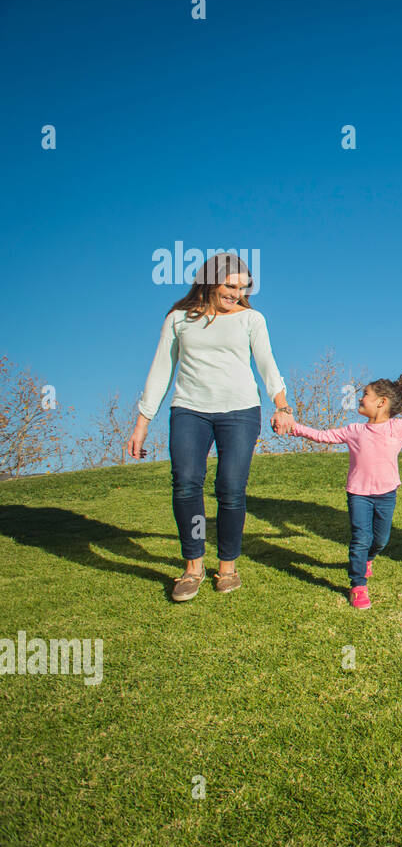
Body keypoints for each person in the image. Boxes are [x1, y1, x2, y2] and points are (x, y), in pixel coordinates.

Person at [127, 253, 293, 602]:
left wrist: (282, 406)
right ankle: (193, 568)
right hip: (190, 410)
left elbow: (267, 365)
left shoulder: (251, 319)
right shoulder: (178, 319)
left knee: (230, 488)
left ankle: (228, 566)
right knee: (186, 484)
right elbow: (161, 371)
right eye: (229, 285)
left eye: (242, 288)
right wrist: (142, 423)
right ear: (209, 281)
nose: (236, 293)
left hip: (240, 411)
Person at [283, 374, 402, 609]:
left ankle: (368, 559)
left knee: (381, 540)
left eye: (365, 394)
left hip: (386, 494)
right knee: (360, 538)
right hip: (358, 494)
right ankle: (358, 585)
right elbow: (322, 436)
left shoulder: (399, 427)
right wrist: (295, 428)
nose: (360, 398)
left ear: (381, 402)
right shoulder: (354, 430)